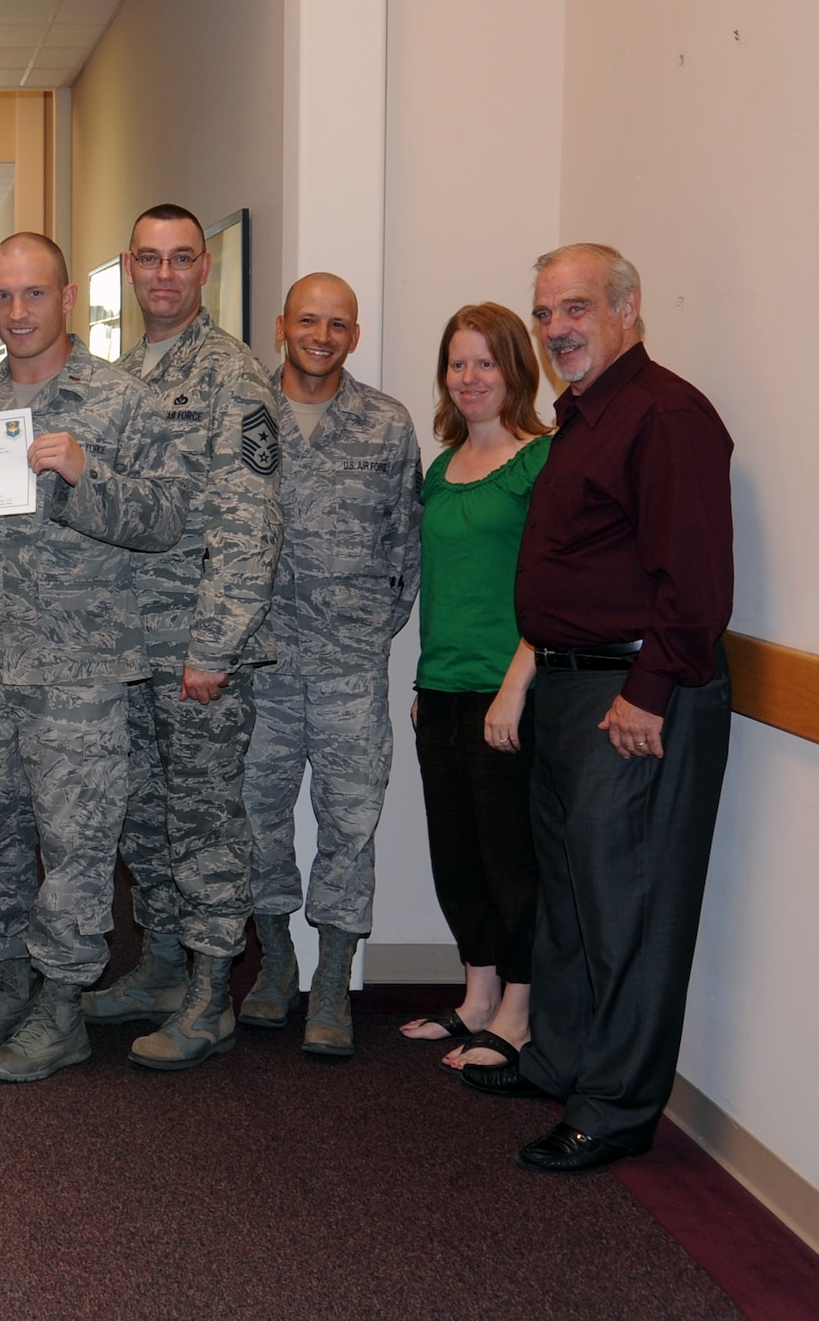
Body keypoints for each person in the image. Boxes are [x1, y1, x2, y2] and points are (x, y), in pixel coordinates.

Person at [463, 244, 733, 1176]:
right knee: (572, 898)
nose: (556, 330)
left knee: (632, 909)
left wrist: (648, 694)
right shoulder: (583, 421)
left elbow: (694, 580)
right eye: (544, 314)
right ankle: (561, 1061)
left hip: (634, 695)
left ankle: (615, 1108)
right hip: (571, 688)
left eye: (575, 309)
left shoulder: (667, 415)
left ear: (629, 308)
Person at [0, 234, 185, 1083]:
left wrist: (85, 474)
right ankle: (11, 980)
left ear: (66, 299)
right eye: (2, 297)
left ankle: (61, 1006)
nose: (17, 313)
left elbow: (168, 521)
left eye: (33, 295)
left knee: (77, 844)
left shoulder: (118, 401)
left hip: (81, 675)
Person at [86, 204, 283, 1073]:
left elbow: (251, 521)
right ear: (129, 268)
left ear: (204, 269)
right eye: (148, 260)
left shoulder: (232, 375)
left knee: (205, 822)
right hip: (128, 645)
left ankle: (211, 994)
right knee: (143, 818)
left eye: (180, 260)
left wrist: (214, 648)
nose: (162, 276)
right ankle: (162, 966)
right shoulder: (120, 374)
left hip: (196, 649)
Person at [239, 272, 421, 1058]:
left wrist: (370, 629)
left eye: (337, 323)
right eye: (308, 319)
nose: (322, 334)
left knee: (351, 823)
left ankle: (334, 986)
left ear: (353, 332)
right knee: (255, 816)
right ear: (282, 324)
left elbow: (405, 544)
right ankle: (277, 965)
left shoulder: (386, 422)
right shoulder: (244, 414)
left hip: (349, 666)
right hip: (262, 665)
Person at [399, 304, 551, 1071]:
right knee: (456, 855)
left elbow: (556, 590)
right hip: (444, 690)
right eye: (458, 364)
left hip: (508, 695)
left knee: (510, 860)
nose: (469, 378)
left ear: (515, 371)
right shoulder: (442, 466)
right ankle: (478, 997)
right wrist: (430, 681)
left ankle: (519, 1015)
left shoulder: (539, 463)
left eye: (485, 363)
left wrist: (514, 688)